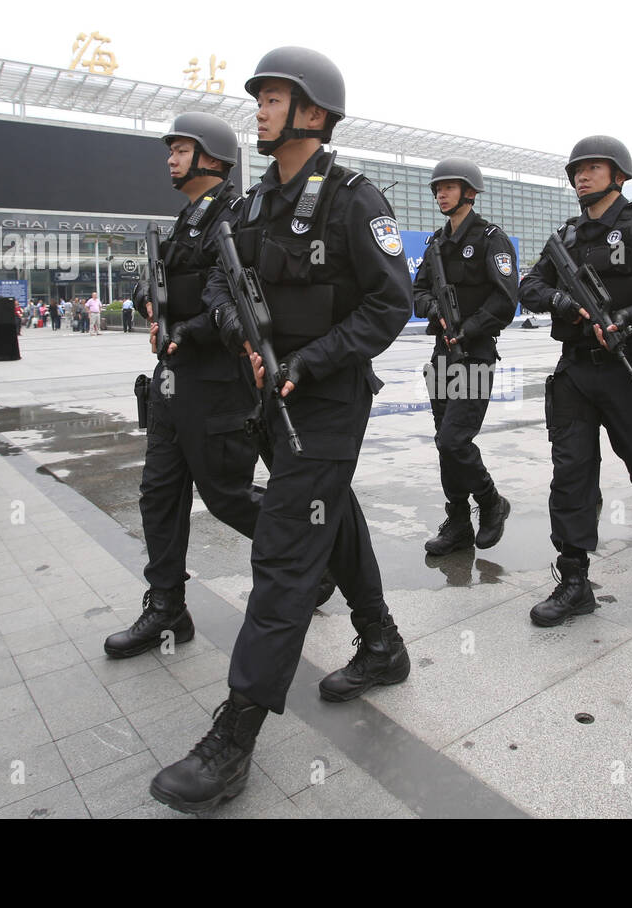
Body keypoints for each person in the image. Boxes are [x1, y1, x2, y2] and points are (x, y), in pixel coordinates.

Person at [150, 47, 413, 814]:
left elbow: (390, 303)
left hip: (327, 400)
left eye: (273, 98)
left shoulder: (355, 200)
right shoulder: (253, 205)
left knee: (285, 554)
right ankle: (382, 642)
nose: (259, 111)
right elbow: (231, 295)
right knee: (331, 515)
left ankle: (234, 736)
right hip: (272, 393)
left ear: (313, 113)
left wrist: (311, 359)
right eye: (259, 98)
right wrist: (243, 338)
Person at [103, 111, 274, 663]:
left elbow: (238, 296)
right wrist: (148, 304)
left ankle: (308, 553)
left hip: (219, 382)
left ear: (212, 158)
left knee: (227, 496)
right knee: (159, 494)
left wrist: (187, 332)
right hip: (171, 384)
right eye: (171, 151)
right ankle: (167, 607)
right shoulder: (182, 223)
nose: (170, 160)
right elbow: (147, 288)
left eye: (180, 150)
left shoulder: (240, 216)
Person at [517, 135, 632, 628]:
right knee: (571, 472)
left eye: (594, 168)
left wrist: (630, 318)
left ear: (618, 175)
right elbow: (529, 286)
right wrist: (560, 302)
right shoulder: (568, 237)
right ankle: (574, 579)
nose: (582, 176)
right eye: (577, 169)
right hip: (576, 369)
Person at [413, 157, 517, 555]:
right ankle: (457, 520)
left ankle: (491, 502)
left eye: (449, 187)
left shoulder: (492, 238)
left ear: (469, 192)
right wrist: (435, 310)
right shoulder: (436, 244)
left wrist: (467, 328)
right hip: (442, 355)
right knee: (444, 439)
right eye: (437, 188)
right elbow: (417, 291)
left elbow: (506, 300)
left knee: (455, 440)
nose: (441, 193)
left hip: (474, 354)